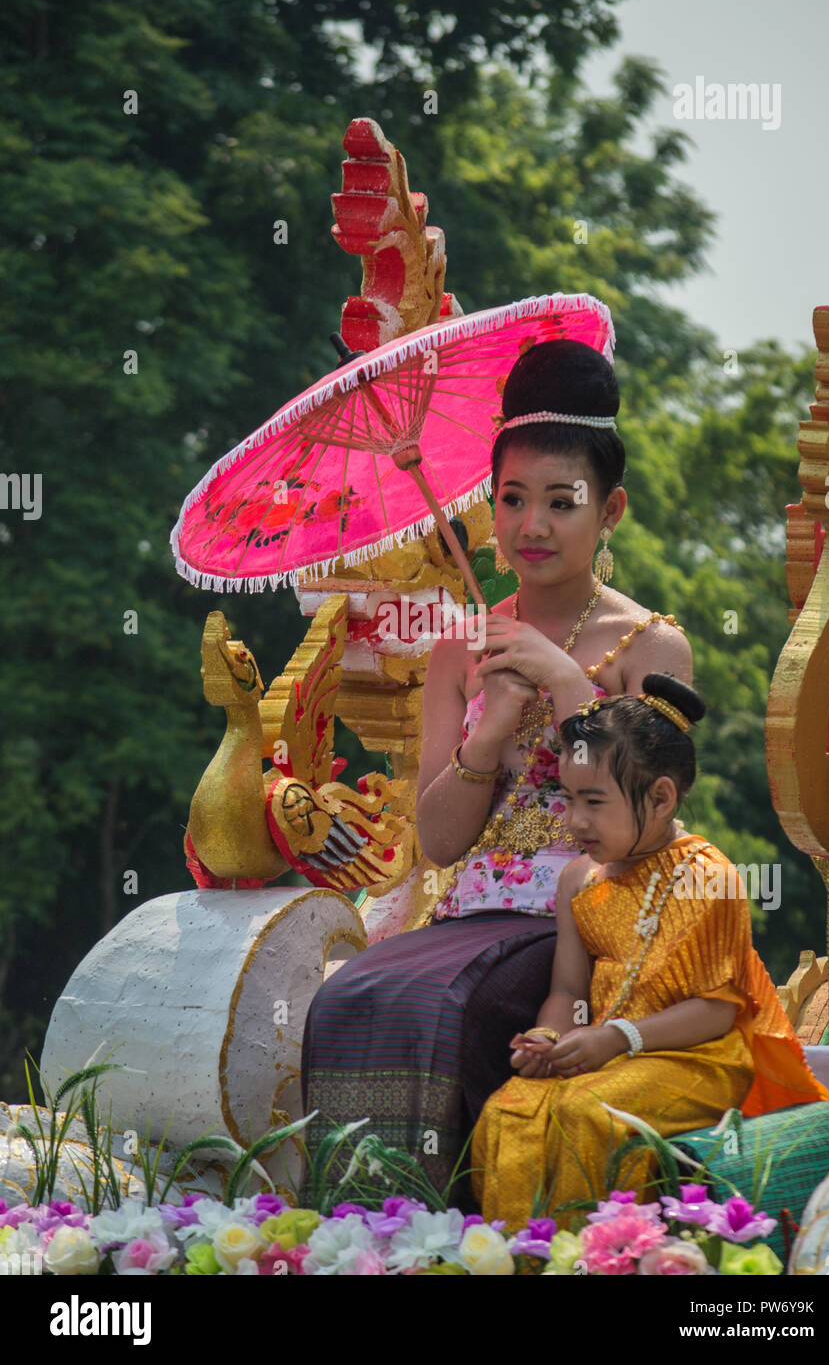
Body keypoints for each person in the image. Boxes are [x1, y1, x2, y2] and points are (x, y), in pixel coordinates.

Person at [300, 336, 692, 1198]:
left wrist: (561, 687)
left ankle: (464, 1224)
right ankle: (364, 1232)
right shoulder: (460, 648)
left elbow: (643, 830)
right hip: (470, 913)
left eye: (561, 501)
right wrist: (487, 736)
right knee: (348, 998)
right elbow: (439, 845)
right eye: (512, 500)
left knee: (454, 1010)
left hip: (590, 918)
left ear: (611, 508)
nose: (531, 526)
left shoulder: (649, 645)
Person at [471, 673, 829, 1229]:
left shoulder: (706, 876)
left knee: (588, 1113)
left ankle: (593, 1259)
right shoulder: (577, 880)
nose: (577, 821)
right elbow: (567, 991)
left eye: (594, 801)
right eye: (569, 799)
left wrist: (618, 1037)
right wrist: (549, 1039)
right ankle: (519, 1258)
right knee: (507, 1110)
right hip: (604, 1051)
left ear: (661, 797)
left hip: (700, 1058)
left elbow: (716, 1010)